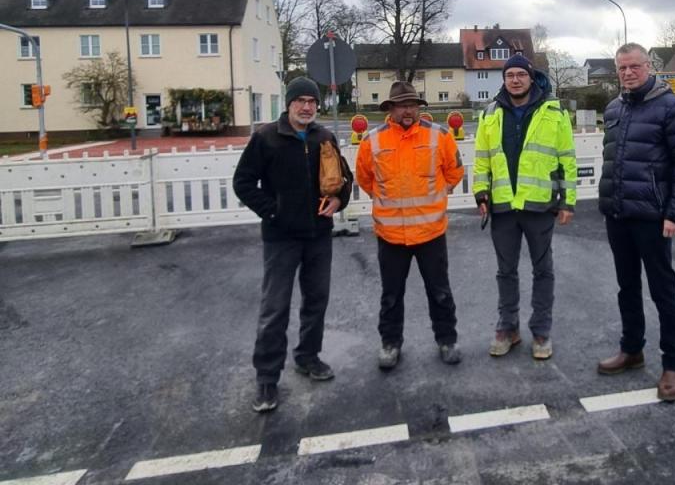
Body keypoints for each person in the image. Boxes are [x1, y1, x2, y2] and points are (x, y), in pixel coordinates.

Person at [233, 76, 353, 413]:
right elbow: (242, 182)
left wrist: (339, 201)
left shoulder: (324, 137)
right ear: (288, 104)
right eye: (300, 100)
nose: (306, 107)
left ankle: (308, 357)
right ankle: (267, 378)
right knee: (275, 308)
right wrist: (274, 212)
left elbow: (345, 179)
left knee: (316, 300)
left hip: (318, 235)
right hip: (281, 238)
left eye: (312, 101)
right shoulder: (266, 138)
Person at [597, 43, 675, 402]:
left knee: (662, 291)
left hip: (654, 218)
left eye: (634, 66)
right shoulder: (614, 108)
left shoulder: (673, 108)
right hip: (619, 214)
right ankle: (632, 349)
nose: (627, 73)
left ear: (649, 66)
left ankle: (673, 365)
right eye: (622, 68)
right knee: (627, 287)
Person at [354, 80, 465, 370]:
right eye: (402, 105)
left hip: (431, 232)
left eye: (412, 105)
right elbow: (365, 179)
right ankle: (390, 344)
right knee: (391, 295)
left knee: (440, 291)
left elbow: (455, 171)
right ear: (390, 109)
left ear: (419, 108)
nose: (408, 110)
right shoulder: (372, 141)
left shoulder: (440, 136)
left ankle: (447, 340)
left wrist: (439, 195)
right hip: (390, 234)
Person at [473, 54, 577, 360]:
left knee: (543, 270)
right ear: (504, 79)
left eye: (521, 74)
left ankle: (541, 331)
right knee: (505, 271)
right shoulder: (490, 113)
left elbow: (566, 159)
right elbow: (482, 158)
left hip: (539, 206)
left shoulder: (553, 112)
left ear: (531, 78)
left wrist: (567, 202)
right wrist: (481, 193)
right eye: (510, 75)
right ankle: (508, 328)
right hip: (503, 207)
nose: (515, 79)